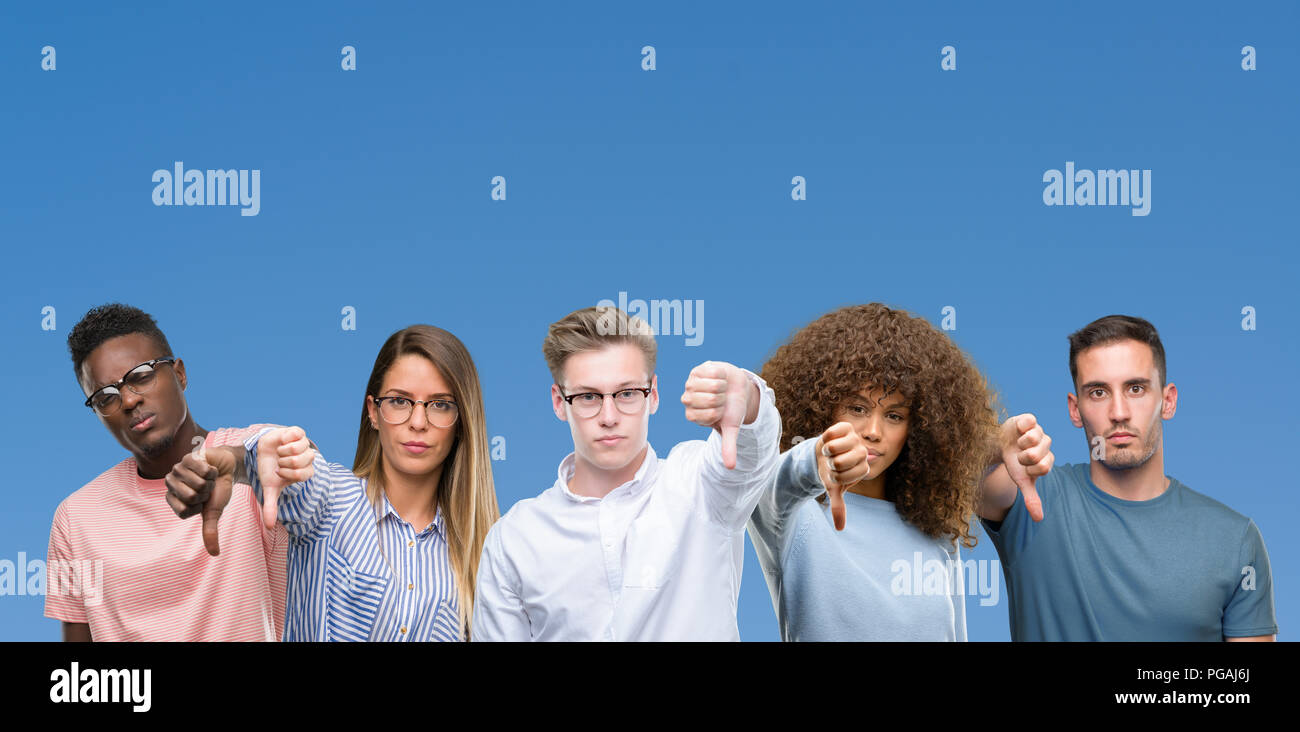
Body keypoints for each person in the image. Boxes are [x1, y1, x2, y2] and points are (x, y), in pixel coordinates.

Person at [167, 325, 499, 641]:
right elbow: (297, 471)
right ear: (373, 411)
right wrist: (240, 459)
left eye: (439, 405)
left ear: (462, 421)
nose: (417, 422)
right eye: (399, 401)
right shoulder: (331, 500)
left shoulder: (481, 554)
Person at [472, 306, 780, 641]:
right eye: (588, 396)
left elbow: (753, 453)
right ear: (560, 402)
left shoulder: (701, 487)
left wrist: (749, 400)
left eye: (627, 393)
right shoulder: (515, 539)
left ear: (654, 394)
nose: (609, 416)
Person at [748, 303, 1050, 641]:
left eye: (894, 415)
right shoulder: (794, 516)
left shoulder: (933, 525)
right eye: (857, 408)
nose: (873, 431)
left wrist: (993, 445)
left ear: (918, 427)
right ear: (821, 407)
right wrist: (817, 455)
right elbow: (769, 481)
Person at [977, 314, 1278, 641]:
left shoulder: (1235, 540)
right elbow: (952, 477)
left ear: (1168, 400)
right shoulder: (1032, 498)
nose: (1118, 412)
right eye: (1098, 392)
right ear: (1074, 409)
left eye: (1135, 388)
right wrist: (994, 447)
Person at [46, 303, 286, 641]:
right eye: (105, 397)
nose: (128, 401)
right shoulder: (73, 519)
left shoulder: (250, 450)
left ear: (180, 374)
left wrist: (235, 464)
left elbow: (303, 469)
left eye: (141, 376)